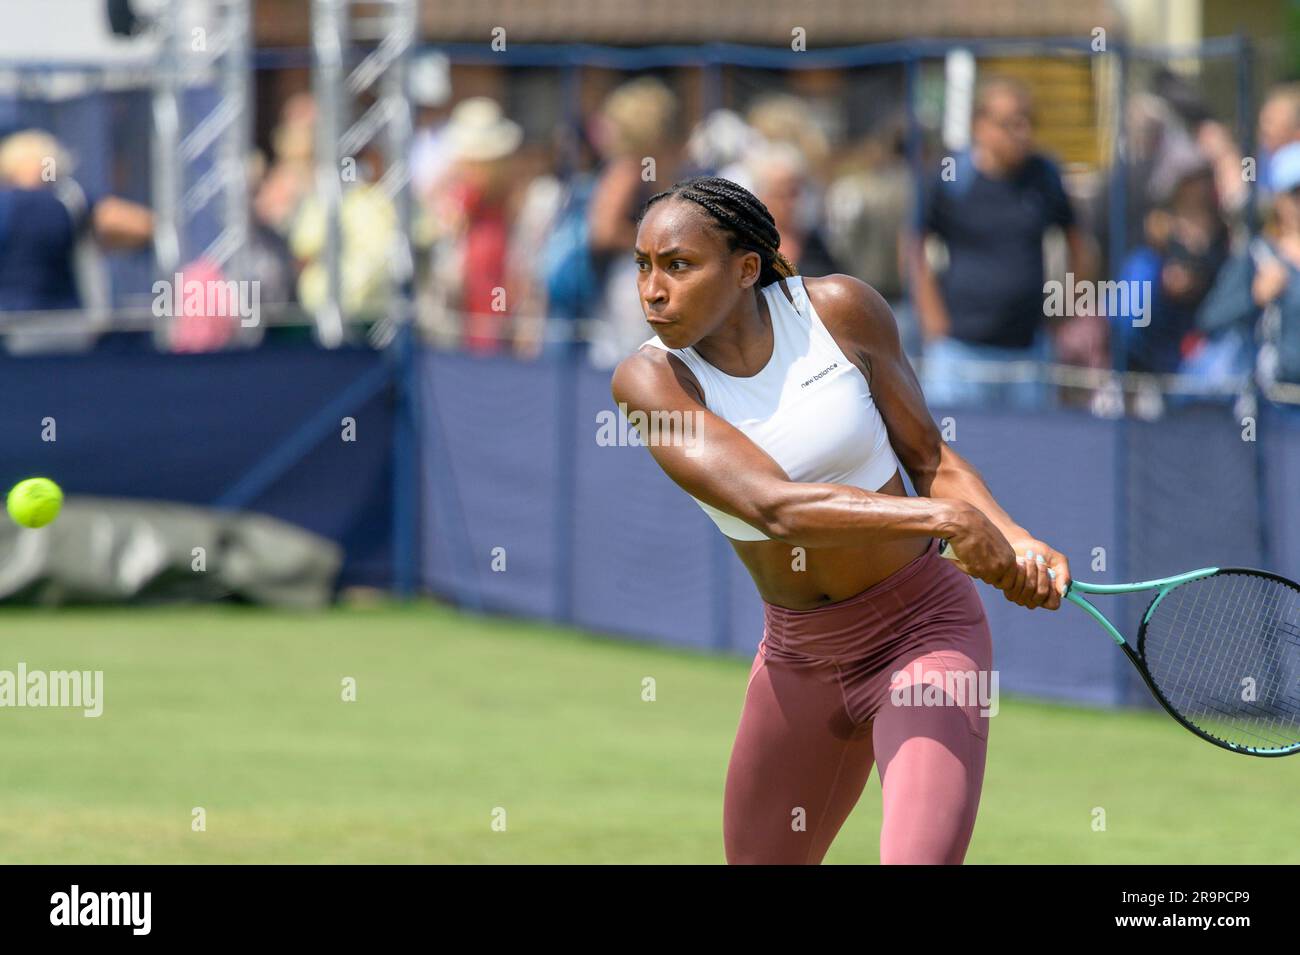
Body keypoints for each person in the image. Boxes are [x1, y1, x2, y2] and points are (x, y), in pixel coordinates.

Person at [611, 176, 1071, 865]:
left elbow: (929, 454)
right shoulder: (650, 383)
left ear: (744, 269)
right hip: (799, 658)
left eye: (678, 265)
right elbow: (775, 506)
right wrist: (946, 519)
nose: (652, 289)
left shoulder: (841, 310)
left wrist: (1012, 534)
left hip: (925, 631)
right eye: (643, 265)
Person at [912, 77, 1092, 409]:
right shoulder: (951, 176)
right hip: (958, 355)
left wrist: (1065, 308)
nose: (1022, 132)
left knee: (1026, 454)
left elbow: (1078, 242)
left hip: (1028, 354)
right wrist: (931, 316)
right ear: (980, 126)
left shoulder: (1044, 175)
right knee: (956, 454)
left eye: (1028, 121)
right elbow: (912, 242)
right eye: (1010, 123)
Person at [0, 129, 152, 351]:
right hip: (70, 333)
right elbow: (142, 227)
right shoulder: (71, 201)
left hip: (9, 335)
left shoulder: (6, 204)